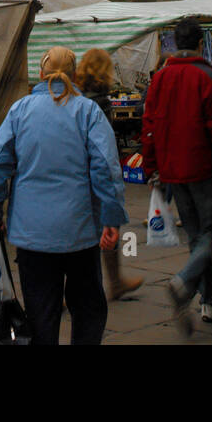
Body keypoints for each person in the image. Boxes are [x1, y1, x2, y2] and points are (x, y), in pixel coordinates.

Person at [0, 46, 126, 346]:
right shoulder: (88, 111)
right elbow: (106, 168)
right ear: (74, 75)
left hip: (32, 234)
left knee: (40, 313)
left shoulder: (19, 111)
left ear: (41, 73)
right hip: (80, 232)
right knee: (88, 308)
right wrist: (111, 217)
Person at [141, 17, 212, 333]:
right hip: (204, 168)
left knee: (198, 235)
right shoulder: (208, 77)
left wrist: (151, 165)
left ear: (175, 44)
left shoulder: (160, 78)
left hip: (173, 170)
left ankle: (211, 302)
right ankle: (184, 283)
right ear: (201, 44)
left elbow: (150, 126)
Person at [76, 47, 143, 301]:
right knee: (105, 222)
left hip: (75, 170)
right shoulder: (100, 101)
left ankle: (111, 282)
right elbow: (102, 145)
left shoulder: (76, 94)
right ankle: (112, 282)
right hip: (94, 171)